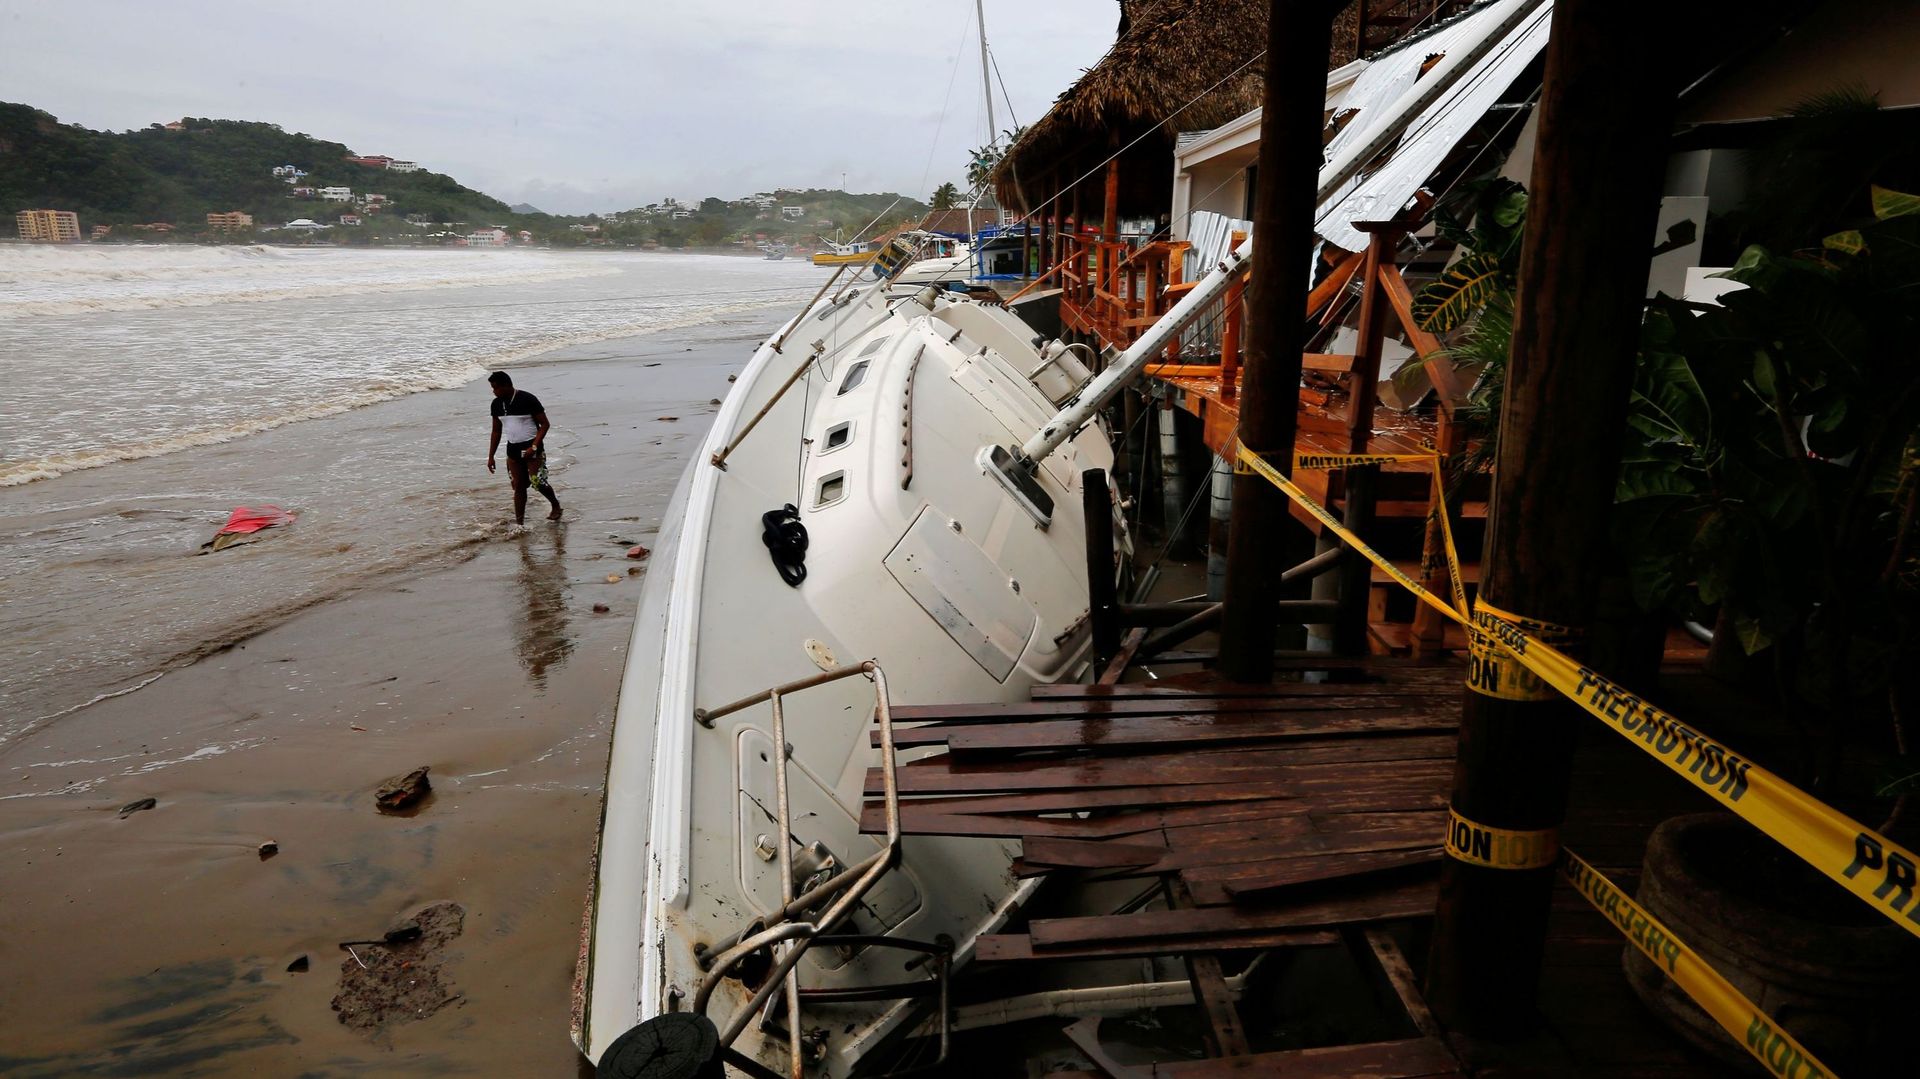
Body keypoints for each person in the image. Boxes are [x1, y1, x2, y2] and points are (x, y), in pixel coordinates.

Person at [486, 371, 562, 523]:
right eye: (492, 388)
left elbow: (545, 424)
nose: (494, 392)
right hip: (513, 450)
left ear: (507, 386)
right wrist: (491, 456)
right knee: (518, 486)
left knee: (537, 482)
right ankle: (519, 523)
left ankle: (555, 505)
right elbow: (496, 431)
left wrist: (533, 446)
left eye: (496, 388)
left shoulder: (527, 399)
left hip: (532, 449)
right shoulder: (496, 404)